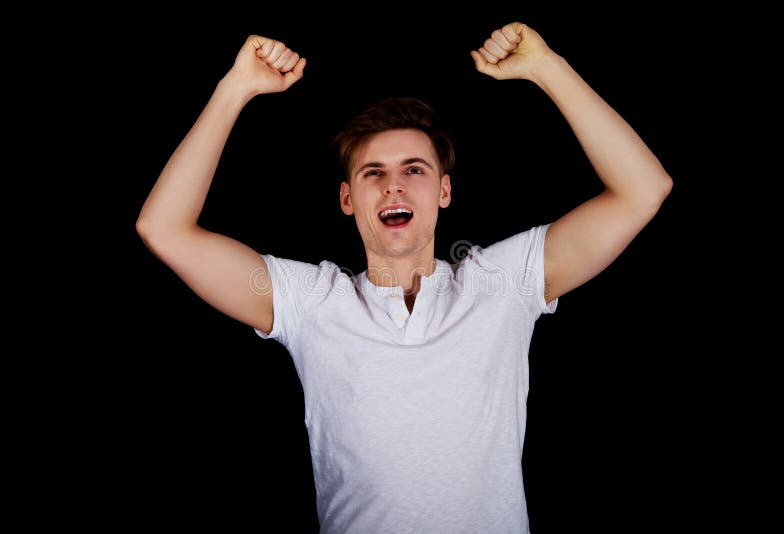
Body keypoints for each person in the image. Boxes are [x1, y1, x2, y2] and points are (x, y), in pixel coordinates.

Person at [137, 22, 672, 534]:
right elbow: (164, 228)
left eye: (414, 169)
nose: (394, 188)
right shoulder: (310, 303)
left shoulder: (501, 285)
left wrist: (548, 68)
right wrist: (235, 88)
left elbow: (642, 190)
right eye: (373, 173)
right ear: (348, 199)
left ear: (443, 191)